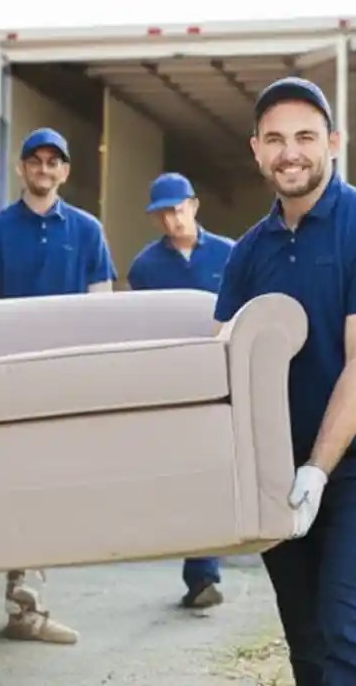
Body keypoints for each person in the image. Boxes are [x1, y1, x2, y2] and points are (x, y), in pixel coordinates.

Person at [213, 77, 356, 686]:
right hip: (282, 469)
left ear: (333, 143)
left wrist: (319, 467)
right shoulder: (249, 253)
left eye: (305, 137)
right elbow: (223, 359)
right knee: (306, 642)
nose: (291, 152)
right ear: (256, 149)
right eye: (275, 139)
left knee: (344, 630)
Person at [0, 126, 117, 645]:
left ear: (65, 171)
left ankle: (25, 601)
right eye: (36, 160)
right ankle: (24, 606)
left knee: (50, 486)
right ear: (21, 167)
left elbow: (102, 312)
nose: (44, 169)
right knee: (19, 484)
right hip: (8, 372)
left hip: (65, 375)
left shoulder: (88, 231)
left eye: (54, 162)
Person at [125, 171, 234, 610]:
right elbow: (138, 328)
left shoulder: (231, 254)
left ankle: (206, 569)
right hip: (174, 379)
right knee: (189, 471)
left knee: (220, 467)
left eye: (178, 208)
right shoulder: (145, 268)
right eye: (163, 213)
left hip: (224, 374)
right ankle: (199, 573)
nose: (173, 219)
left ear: (194, 204)